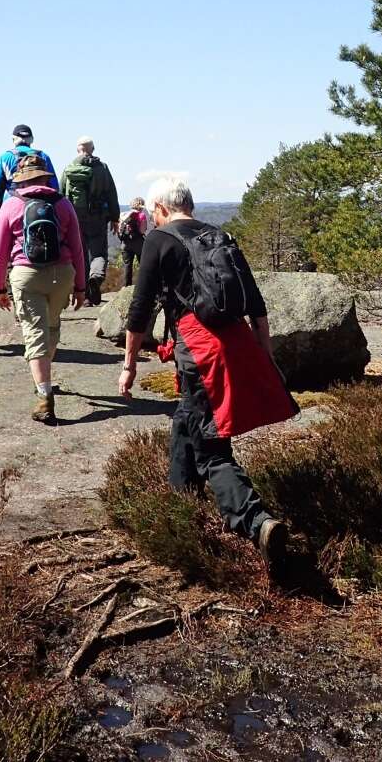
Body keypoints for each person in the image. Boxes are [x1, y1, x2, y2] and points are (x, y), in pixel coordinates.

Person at [118, 176, 291, 567]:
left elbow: (140, 309)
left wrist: (129, 365)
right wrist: (266, 356)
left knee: (211, 448)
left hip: (199, 349)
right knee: (188, 418)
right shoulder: (220, 236)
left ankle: (255, 521)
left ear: (160, 209)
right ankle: (182, 504)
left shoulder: (158, 240)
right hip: (237, 341)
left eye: (153, 213)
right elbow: (257, 306)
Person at [0, 155, 87, 424]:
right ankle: (43, 378)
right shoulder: (63, 204)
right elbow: (78, 249)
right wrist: (80, 287)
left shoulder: (11, 205)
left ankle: (44, 396)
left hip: (26, 275)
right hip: (62, 275)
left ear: (21, 180)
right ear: (45, 178)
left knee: (35, 334)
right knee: (52, 327)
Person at [60, 137, 120, 306]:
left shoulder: (69, 169)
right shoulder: (102, 168)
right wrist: (114, 217)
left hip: (75, 219)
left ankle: (85, 294)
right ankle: (96, 277)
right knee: (99, 253)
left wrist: (63, 221)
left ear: (77, 150)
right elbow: (111, 193)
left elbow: (61, 194)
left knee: (81, 255)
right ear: (92, 149)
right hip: (98, 217)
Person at [0, 123, 57, 220]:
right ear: (31, 139)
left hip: (13, 210)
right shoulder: (43, 157)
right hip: (42, 210)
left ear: (13, 139)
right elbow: (54, 187)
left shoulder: (4, 158)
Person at [117, 196, 150, 287]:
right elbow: (142, 231)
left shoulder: (124, 215)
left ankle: (126, 286)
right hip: (138, 243)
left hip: (125, 243)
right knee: (143, 265)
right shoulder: (141, 215)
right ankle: (144, 285)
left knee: (127, 265)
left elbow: (119, 229)